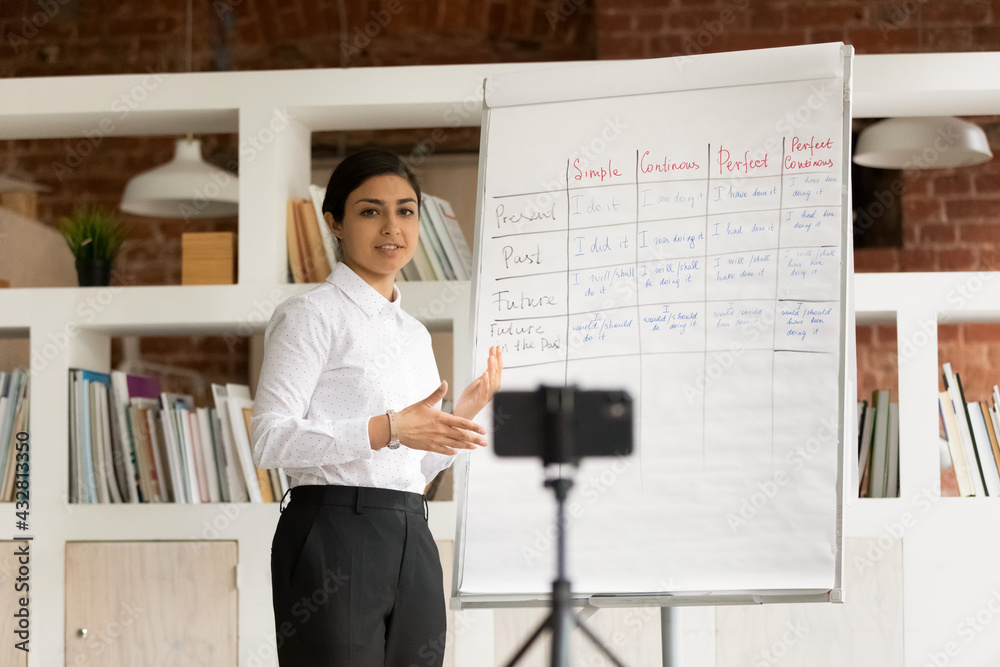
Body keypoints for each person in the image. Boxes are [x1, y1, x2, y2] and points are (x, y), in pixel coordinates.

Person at [250, 147, 502, 666]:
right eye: (371, 211)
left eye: (405, 211)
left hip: (410, 526)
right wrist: (389, 427)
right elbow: (269, 439)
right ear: (335, 223)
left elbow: (411, 468)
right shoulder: (309, 316)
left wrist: (461, 418)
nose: (392, 226)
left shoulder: (414, 334)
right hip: (332, 531)